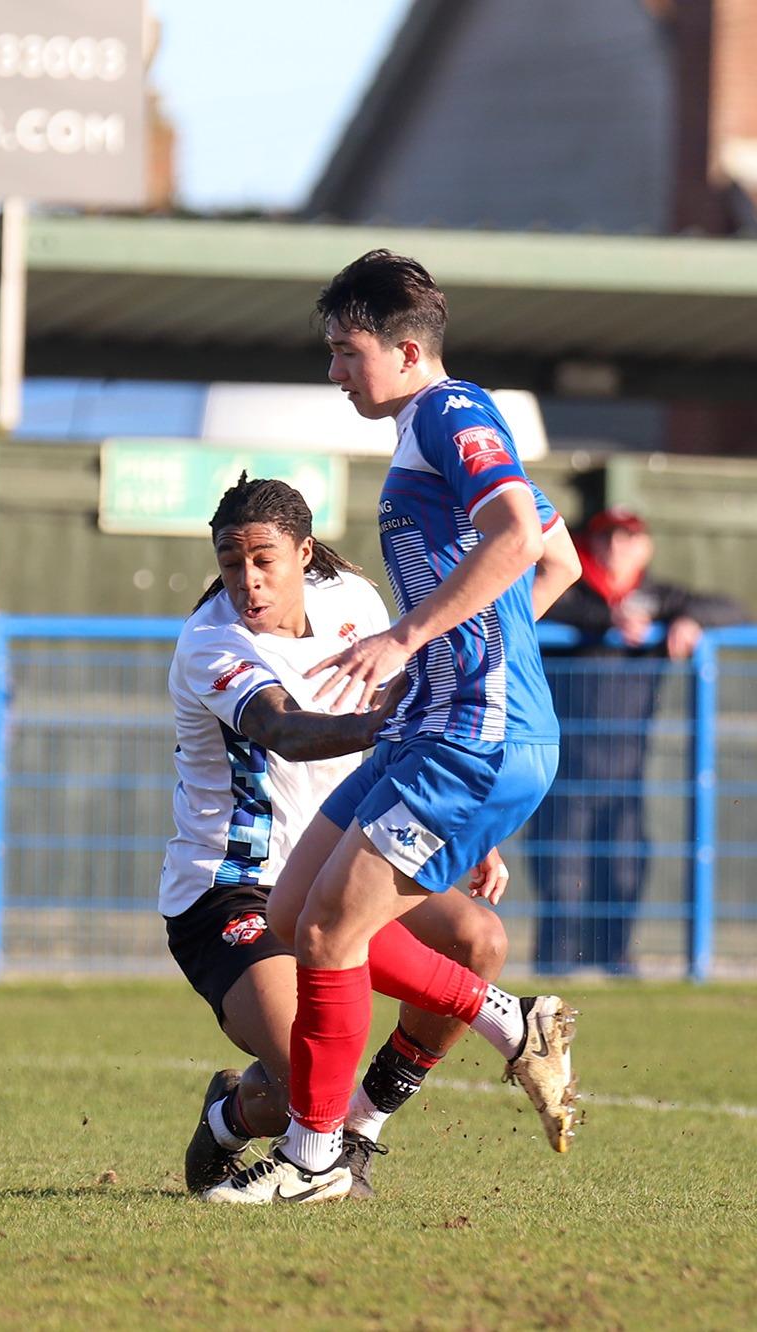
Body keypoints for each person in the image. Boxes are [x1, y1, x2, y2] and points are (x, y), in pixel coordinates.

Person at [206, 250, 583, 1204]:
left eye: (347, 351)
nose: (335, 371)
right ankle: (507, 1023)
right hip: (439, 729)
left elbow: (515, 533)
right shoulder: (427, 424)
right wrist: (468, 652)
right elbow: (558, 562)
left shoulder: (453, 414)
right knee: (294, 919)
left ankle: (314, 1158)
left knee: (332, 929)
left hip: (473, 741)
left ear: (407, 350)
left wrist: (414, 636)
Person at [169, 474, 531, 1201]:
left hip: (340, 858)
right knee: (308, 1075)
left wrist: (452, 818)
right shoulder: (211, 643)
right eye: (231, 562)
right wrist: (380, 725)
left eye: (264, 560)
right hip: (231, 889)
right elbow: (280, 728)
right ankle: (231, 1116)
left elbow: (405, 719)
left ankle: (356, 1136)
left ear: (303, 553)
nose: (247, 581)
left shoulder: (357, 604)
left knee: (478, 941)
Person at [530, 507, 745, 975]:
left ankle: (615, 966)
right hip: (562, 770)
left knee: (624, 872)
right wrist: (607, 617)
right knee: (562, 878)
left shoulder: (660, 598)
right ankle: (555, 972)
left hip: (626, 774)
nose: (618, 548)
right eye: (608, 538)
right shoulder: (568, 589)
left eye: (629, 539)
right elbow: (528, 605)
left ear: (645, 548)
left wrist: (688, 622)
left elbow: (732, 610)